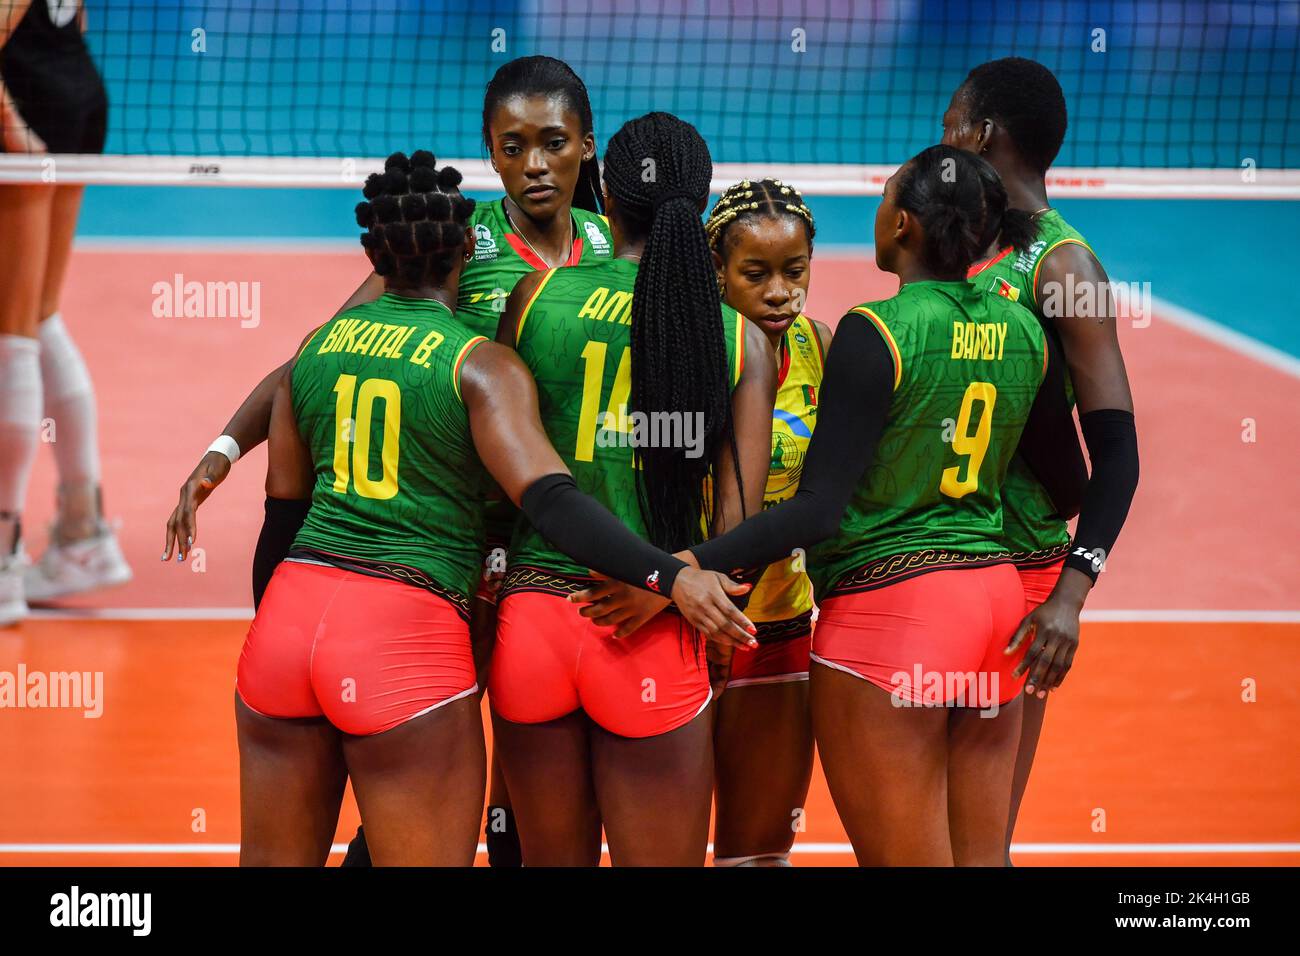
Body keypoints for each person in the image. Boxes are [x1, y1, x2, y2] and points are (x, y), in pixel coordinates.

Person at [222, 151, 753, 865]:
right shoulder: (480, 364)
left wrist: (224, 453)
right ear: (469, 252)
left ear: (374, 255)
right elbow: (551, 499)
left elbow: (279, 519)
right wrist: (669, 577)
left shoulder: (316, 353)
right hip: (420, 636)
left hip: (294, 626)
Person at [163, 55, 612, 866]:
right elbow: (314, 359)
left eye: (552, 143)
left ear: (587, 142)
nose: (534, 165)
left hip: (561, 545)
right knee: (424, 744)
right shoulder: (453, 243)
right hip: (461, 545)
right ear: (489, 150)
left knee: (527, 770)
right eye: (512, 147)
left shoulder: (615, 247)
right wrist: (226, 446)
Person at [679, 144, 1088, 864]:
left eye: (794, 271)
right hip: (986, 605)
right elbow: (1068, 487)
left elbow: (821, 508)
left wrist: (680, 571)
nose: (780, 291)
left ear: (902, 224)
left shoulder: (856, 337)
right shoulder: (1022, 328)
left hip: (858, 616)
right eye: (756, 274)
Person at [488, 112, 776, 866]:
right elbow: (743, 524)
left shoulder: (532, 299)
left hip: (537, 620)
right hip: (650, 628)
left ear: (604, 199)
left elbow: (501, 469)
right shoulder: (740, 337)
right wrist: (668, 581)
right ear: (703, 210)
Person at [942, 57, 1140, 864]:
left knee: (978, 840)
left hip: (1019, 572)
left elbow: (1119, 449)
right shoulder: (955, 246)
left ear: (983, 135)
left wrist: (1073, 590)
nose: (942, 137)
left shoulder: (1064, 269)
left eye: (951, 121)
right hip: (934, 559)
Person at [0, 0, 129, 627]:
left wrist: (11, 126)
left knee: (11, 335)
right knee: (39, 317)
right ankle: (84, 536)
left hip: (24, 113)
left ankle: (2, 565)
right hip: (74, 98)